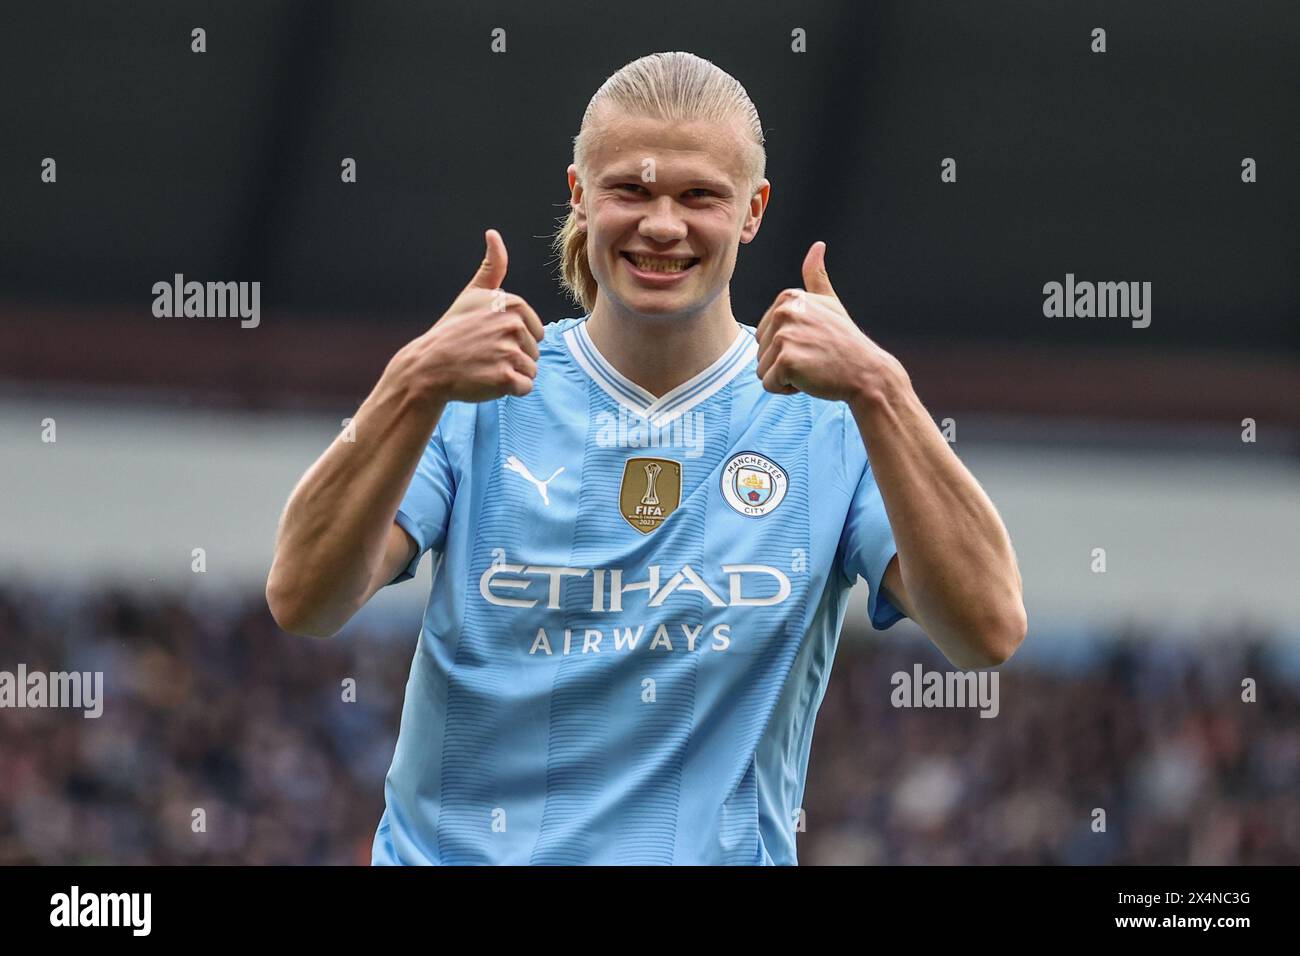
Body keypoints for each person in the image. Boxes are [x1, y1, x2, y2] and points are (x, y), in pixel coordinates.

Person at [265, 51, 1026, 865]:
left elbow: (985, 630)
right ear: (580, 196)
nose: (663, 224)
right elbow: (305, 599)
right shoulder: (475, 391)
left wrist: (883, 387)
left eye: (699, 195)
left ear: (753, 210)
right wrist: (409, 380)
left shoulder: (832, 417)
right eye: (631, 189)